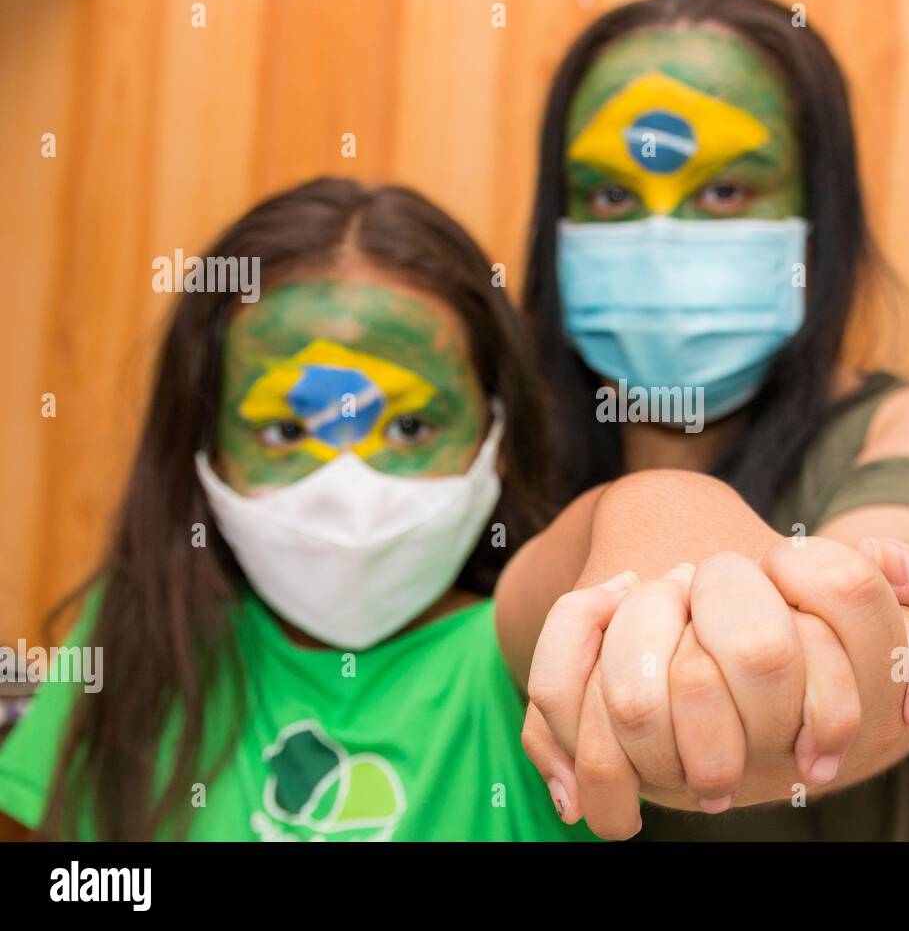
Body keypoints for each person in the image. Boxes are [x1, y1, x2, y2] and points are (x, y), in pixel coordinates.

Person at [515, 0, 909, 840]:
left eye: (723, 192)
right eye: (610, 197)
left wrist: (832, 643)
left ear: (818, 217)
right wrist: (638, 514)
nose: (663, 237)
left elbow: (880, 658)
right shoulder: (487, 480)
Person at [0, 177, 587, 841]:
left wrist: (666, 511)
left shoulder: (531, 661)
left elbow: (617, 532)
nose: (346, 485)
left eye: (410, 429)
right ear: (204, 445)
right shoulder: (143, 638)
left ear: (498, 438)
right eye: (285, 432)